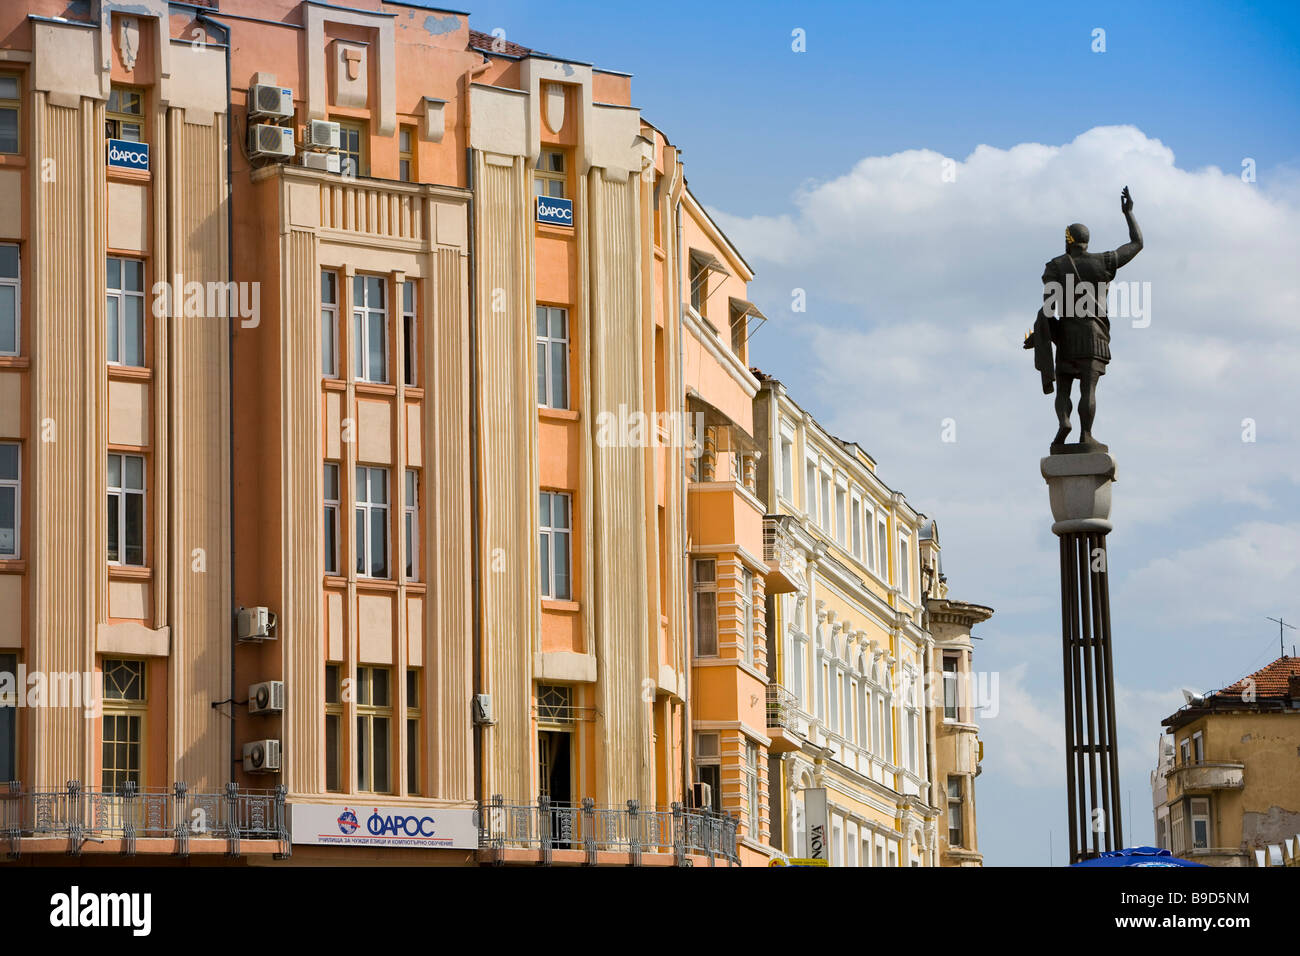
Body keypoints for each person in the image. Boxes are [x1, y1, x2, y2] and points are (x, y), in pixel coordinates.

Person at [1024, 187, 1143, 449]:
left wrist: (1040, 333)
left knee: (1064, 386)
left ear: (1068, 240)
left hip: (1067, 336)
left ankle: (1063, 421)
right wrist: (1129, 214)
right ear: (1086, 241)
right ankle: (1086, 435)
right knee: (1088, 391)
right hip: (1094, 336)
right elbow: (1137, 245)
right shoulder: (1104, 261)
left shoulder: (1055, 266)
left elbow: (1048, 307)